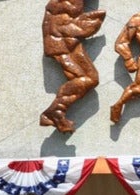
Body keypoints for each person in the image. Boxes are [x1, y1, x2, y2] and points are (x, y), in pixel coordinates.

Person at [40, 0, 106, 133]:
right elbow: (63, 25)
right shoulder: (67, 3)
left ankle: (56, 112)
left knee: (90, 78)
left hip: (68, 42)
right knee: (88, 79)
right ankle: (55, 111)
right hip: (61, 44)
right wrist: (89, 25)